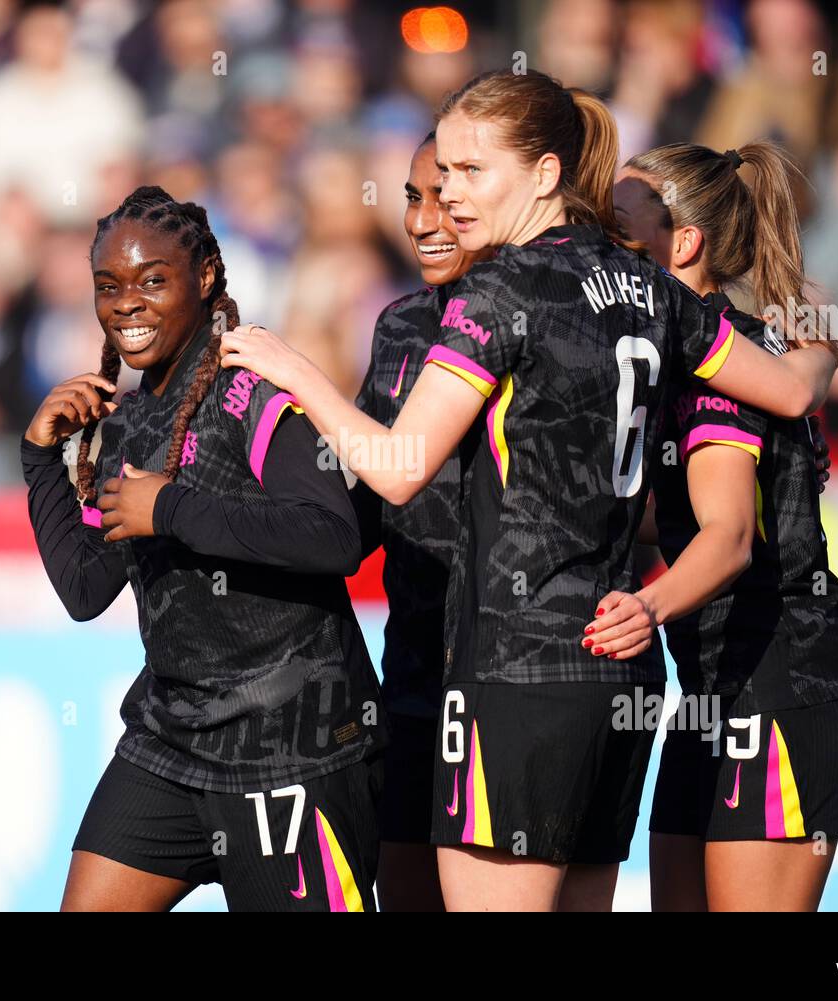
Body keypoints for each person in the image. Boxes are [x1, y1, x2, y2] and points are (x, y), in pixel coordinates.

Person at [218, 70, 838, 911]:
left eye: (473, 174)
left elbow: (400, 466)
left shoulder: (501, 288)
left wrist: (297, 376)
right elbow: (792, 392)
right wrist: (819, 344)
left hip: (516, 669)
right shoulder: (647, 287)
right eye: (444, 177)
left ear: (545, 175)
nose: (451, 196)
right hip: (621, 672)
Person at [21, 186, 385, 912]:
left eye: (152, 280)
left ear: (207, 278)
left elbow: (336, 535)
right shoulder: (127, 423)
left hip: (295, 751)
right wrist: (39, 461)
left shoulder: (253, 393)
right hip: (169, 745)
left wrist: (174, 509)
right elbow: (86, 590)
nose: (128, 303)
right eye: (108, 286)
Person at [600, 141, 838, 910]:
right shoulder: (688, 357)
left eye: (620, 232)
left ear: (683, 243)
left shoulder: (720, 361)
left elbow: (727, 539)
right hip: (711, 692)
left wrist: (645, 605)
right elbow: (679, 511)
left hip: (786, 682)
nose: (602, 251)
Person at [349, 131, 490, 910]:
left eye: (445, 196)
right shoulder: (400, 325)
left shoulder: (547, 319)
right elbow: (361, 506)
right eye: (411, 196)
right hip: (411, 677)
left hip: (513, 685)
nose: (425, 219)